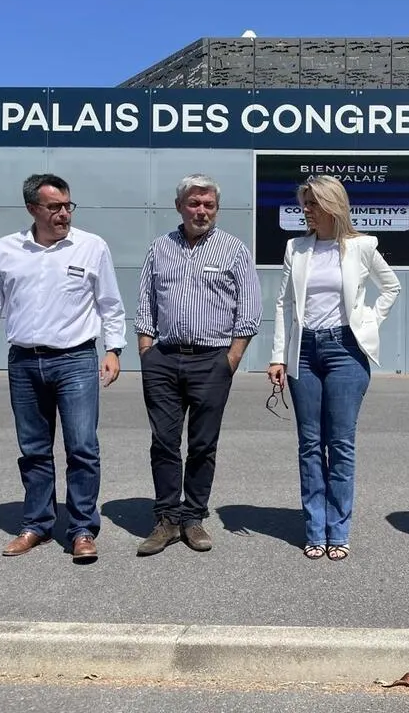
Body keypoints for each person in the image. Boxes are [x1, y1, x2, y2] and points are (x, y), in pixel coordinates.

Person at [0, 173, 126, 564]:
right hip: (24, 362)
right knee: (34, 450)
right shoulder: (6, 249)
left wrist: (114, 350)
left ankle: (82, 529)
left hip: (76, 361)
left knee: (82, 447)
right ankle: (36, 525)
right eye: (54, 207)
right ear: (32, 209)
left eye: (67, 205)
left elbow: (110, 304)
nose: (63, 214)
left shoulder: (91, 247)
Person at [267, 175, 401, 561]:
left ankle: (338, 529)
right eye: (304, 203)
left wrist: (368, 321)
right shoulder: (296, 248)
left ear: (332, 205)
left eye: (312, 204)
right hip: (304, 351)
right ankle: (315, 528)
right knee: (310, 444)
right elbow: (284, 303)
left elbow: (391, 287)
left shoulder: (362, 246)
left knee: (340, 444)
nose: (306, 210)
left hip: (346, 350)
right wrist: (278, 355)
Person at [134, 174, 262, 556]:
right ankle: (166, 519)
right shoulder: (160, 248)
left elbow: (250, 309)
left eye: (208, 205)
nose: (201, 211)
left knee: (203, 444)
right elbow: (145, 304)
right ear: (179, 206)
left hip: (211, 360)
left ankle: (193, 518)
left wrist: (231, 359)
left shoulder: (234, 250)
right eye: (194, 203)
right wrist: (146, 351)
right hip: (163, 358)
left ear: (217, 209)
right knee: (163, 442)